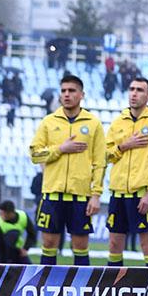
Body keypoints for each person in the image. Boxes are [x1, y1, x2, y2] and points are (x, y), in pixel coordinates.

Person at [29, 74, 105, 266]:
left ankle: (81, 285)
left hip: (80, 197)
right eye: (63, 91)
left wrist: (96, 195)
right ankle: (46, 284)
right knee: (48, 244)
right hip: (52, 195)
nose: (66, 94)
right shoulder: (49, 121)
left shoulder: (93, 123)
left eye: (71, 90)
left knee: (80, 246)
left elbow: (100, 162)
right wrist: (60, 149)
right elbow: (35, 155)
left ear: (82, 95)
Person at [105, 77, 148, 268]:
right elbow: (106, 156)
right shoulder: (118, 122)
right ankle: (113, 283)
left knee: (147, 246)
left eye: (139, 90)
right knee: (114, 245)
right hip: (117, 193)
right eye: (132, 89)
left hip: (141, 194)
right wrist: (124, 145)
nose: (134, 93)